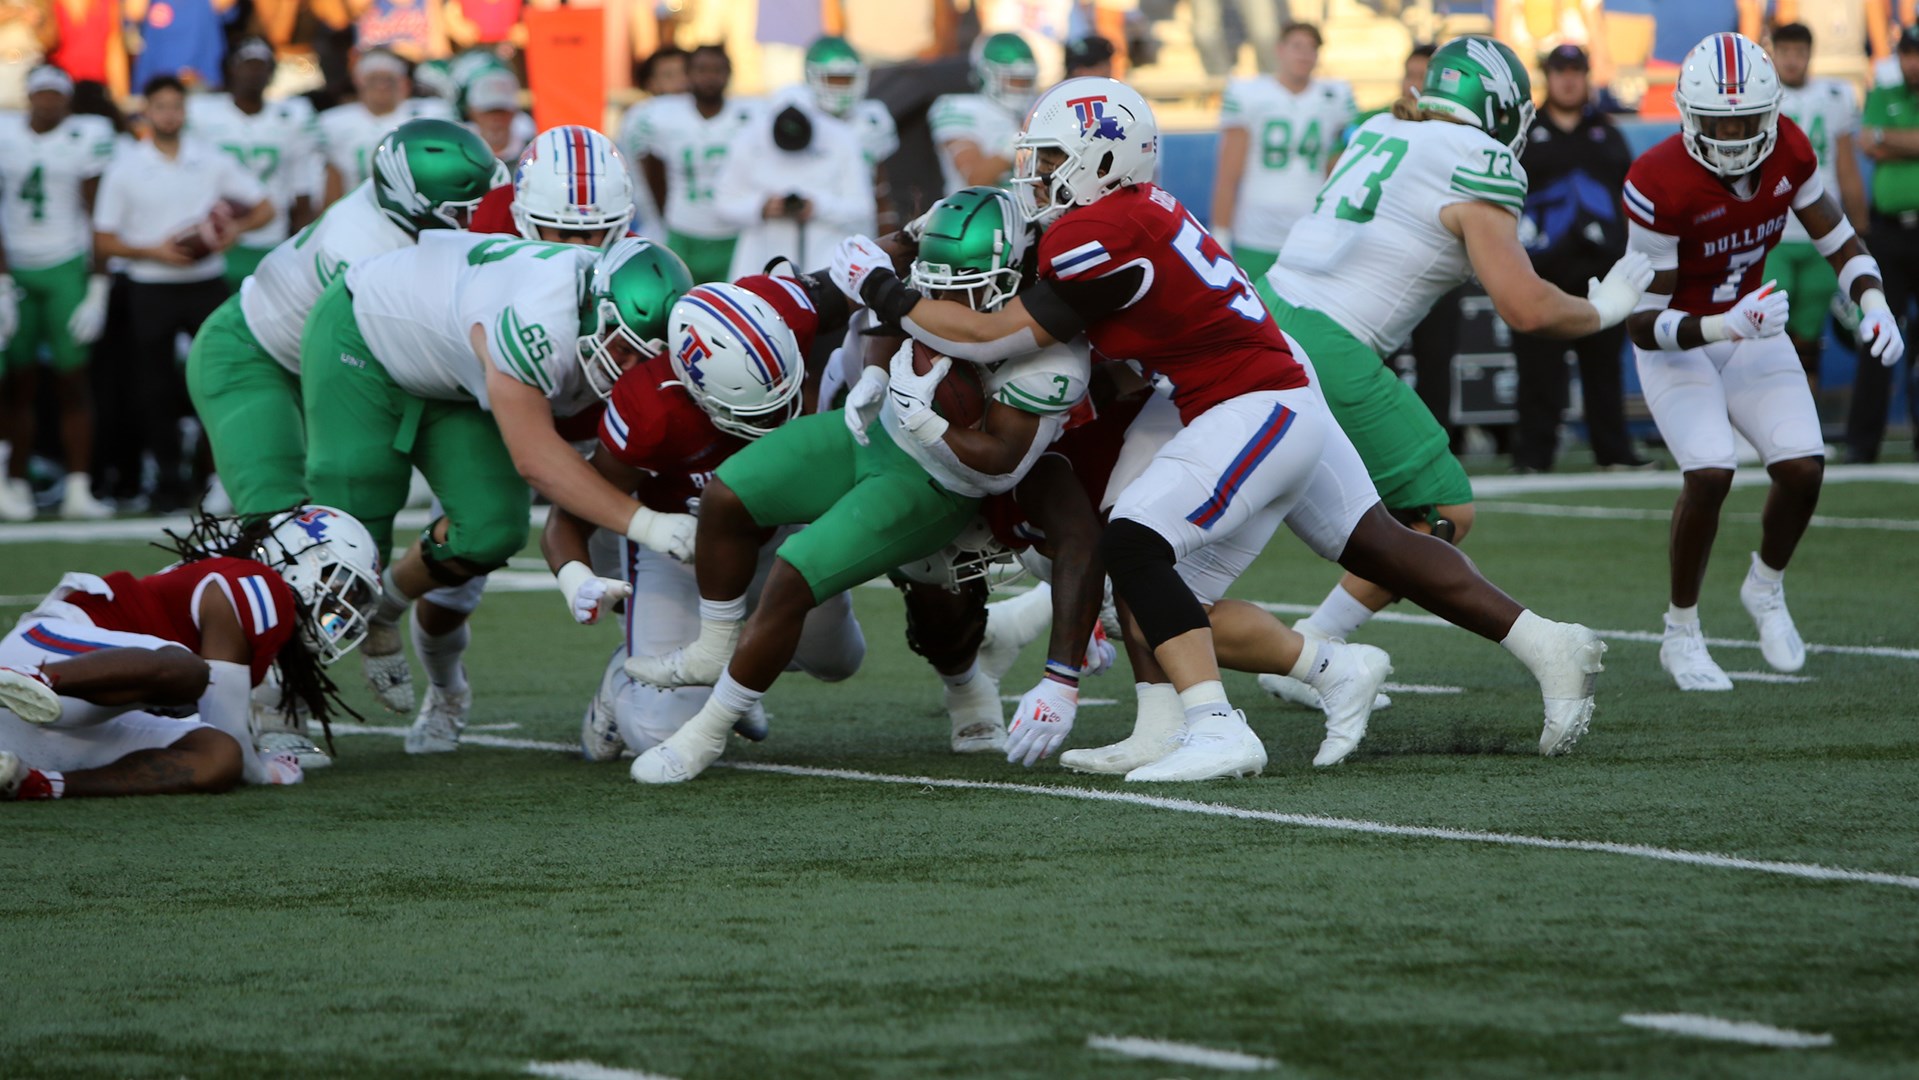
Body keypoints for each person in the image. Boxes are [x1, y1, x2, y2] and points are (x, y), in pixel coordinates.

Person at [834, 76, 1612, 779]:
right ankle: (1544, 644)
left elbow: (991, 333)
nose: (1031, 176)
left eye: (1047, 160)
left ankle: (1217, 727)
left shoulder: (1094, 233)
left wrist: (880, 287)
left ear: (1102, 162)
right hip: (1259, 383)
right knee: (1369, 545)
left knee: (1135, 544)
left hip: (1254, 398)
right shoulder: (1123, 214)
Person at [622, 185, 1093, 785]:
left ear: (1007, 277)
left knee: (802, 574)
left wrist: (928, 420)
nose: (941, 298)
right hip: (874, 429)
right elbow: (889, 292)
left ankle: (706, 733)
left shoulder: (1052, 356)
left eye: (959, 287)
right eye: (933, 281)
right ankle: (715, 645)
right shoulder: (944, 255)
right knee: (729, 493)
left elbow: (999, 462)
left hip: (936, 480)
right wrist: (875, 371)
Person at [1251, 36, 1649, 717]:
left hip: (1264, 310)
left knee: (1230, 505)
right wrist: (1603, 308)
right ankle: (1315, 646)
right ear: (1495, 108)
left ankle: (1299, 651)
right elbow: (1523, 308)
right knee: (1441, 511)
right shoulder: (1479, 158)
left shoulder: (1380, 125)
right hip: (1330, 342)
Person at [299, 235, 696, 752]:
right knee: (344, 546)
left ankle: (387, 608)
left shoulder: (595, 309)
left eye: (641, 359)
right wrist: (651, 525)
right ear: (597, 307)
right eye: (620, 347)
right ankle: (275, 706)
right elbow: (537, 461)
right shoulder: (539, 318)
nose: (624, 367)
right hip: (363, 339)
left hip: (452, 375)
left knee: (490, 529)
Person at [1624, 32, 1903, 692]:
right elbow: (1640, 325)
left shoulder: (1790, 149)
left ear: (1773, 110)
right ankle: (1680, 631)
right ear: (1689, 117)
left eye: (1746, 120)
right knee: (1711, 471)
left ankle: (1765, 587)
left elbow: (1838, 239)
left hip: (1749, 326)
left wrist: (1872, 298)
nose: (1732, 135)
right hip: (1683, 338)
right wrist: (1723, 322)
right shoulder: (1656, 180)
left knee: (1803, 468)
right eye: (1718, 122)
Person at [543, 270, 869, 763]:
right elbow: (571, 511)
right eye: (758, 413)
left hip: (777, 532)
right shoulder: (654, 411)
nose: (776, 422)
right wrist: (574, 575)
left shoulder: (788, 309)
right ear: (700, 395)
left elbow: (872, 265)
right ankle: (620, 681)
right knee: (656, 734)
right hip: (684, 549)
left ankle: (734, 669)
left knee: (838, 659)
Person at [0, 505, 381, 799]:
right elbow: (222, 716)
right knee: (189, 671)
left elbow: (223, 738)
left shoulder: (259, 625)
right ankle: (31, 680)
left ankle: (40, 784)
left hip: (62, 727)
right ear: (303, 556)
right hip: (46, 655)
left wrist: (249, 761)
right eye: (343, 588)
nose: (341, 610)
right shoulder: (259, 585)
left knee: (219, 756)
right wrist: (263, 770)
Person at [91, 74, 272, 512]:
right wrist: (151, 251)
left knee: (219, 378)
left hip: (204, 283)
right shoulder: (127, 165)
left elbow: (266, 206)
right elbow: (103, 239)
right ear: (146, 112)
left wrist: (233, 231)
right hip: (150, 285)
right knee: (151, 388)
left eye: (176, 105)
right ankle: (166, 478)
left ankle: (216, 476)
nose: (170, 114)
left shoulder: (209, 158)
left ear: (186, 111)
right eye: (161, 106)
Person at [1508, 43, 1648, 473]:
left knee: (1604, 370)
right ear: (1547, 76)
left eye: (1576, 70)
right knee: (1538, 371)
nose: (1568, 78)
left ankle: (1614, 452)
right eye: (1560, 70)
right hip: (1541, 274)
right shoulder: (1524, 133)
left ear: (1588, 75)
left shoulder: (1607, 133)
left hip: (1599, 274)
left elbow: (1631, 200)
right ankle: (1533, 456)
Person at [0, 64, 114, 521]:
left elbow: (98, 209)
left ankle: (78, 486)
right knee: (16, 382)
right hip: (18, 266)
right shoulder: (6, 137)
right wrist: (2, 279)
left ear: (67, 100)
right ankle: (17, 480)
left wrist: (98, 286)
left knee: (72, 377)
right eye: (41, 94)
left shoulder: (86, 137)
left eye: (56, 95)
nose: (48, 103)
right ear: (28, 97)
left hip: (66, 262)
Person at [1765, 22, 1869, 387]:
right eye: (1786, 52)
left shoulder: (1834, 97)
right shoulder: (1763, 97)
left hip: (1820, 232)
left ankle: (1804, 432)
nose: (1793, 60)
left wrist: (1859, 227)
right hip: (1773, 233)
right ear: (1773, 53)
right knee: (1764, 334)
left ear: (1810, 54)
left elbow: (1846, 165)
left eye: (1799, 52)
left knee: (1808, 341)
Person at [1210, 22, 1354, 282]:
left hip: (1311, 229)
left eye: (1312, 48)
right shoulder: (1248, 92)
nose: (1304, 54)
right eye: (1297, 46)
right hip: (1256, 230)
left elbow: (1342, 168)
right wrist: (1220, 234)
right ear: (1279, 49)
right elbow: (1228, 173)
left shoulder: (1336, 95)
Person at [188, 37, 322, 289]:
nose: (254, 73)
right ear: (232, 69)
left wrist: (302, 243)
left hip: (270, 236)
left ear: (272, 72)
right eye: (248, 65)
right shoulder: (201, 113)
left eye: (261, 66)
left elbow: (301, 182)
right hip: (213, 237)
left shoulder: (292, 115)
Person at [621, 44, 757, 283]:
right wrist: (660, 217)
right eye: (702, 69)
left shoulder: (750, 115)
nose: (710, 77)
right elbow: (651, 168)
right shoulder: (658, 115)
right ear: (690, 74)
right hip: (682, 229)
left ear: (729, 73)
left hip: (733, 233)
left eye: (717, 69)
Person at [1853, 25, 1919, 463]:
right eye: (1909, 54)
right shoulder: (1884, 91)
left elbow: (1880, 139)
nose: (1914, 62)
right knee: (1878, 331)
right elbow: (1866, 141)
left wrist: (1887, 139)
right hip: (1889, 231)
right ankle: (1862, 443)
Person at [713, 102, 874, 280]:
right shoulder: (748, 138)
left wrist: (818, 207)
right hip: (761, 260)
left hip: (824, 261)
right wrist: (762, 207)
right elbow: (722, 205)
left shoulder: (841, 137)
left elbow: (862, 209)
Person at [780, 35, 898, 234]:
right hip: (807, 230)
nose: (841, 87)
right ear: (811, 77)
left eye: (847, 79)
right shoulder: (794, 117)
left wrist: (888, 231)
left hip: (856, 225)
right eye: (833, 79)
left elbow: (880, 187)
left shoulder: (873, 118)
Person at [466, 124, 638, 248]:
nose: (576, 249)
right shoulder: (496, 221)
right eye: (562, 234)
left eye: (588, 234)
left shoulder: (632, 258)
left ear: (614, 228)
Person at [318, 48, 454, 204]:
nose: (381, 86)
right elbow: (332, 181)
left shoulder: (430, 113)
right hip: (360, 213)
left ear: (403, 83)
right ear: (358, 81)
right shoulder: (334, 122)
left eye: (388, 79)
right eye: (374, 79)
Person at [928, 32, 1038, 195]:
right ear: (987, 74)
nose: (1020, 87)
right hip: (981, 214)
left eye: (1025, 80)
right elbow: (975, 178)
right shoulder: (960, 108)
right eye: (1013, 79)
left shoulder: (1033, 107)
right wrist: (1020, 140)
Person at [463, 66, 531, 164]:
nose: (496, 119)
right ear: (472, 113)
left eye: (502, 111)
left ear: (514, 112)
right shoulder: (460, 152)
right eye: (488, 111)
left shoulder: (530, 153)